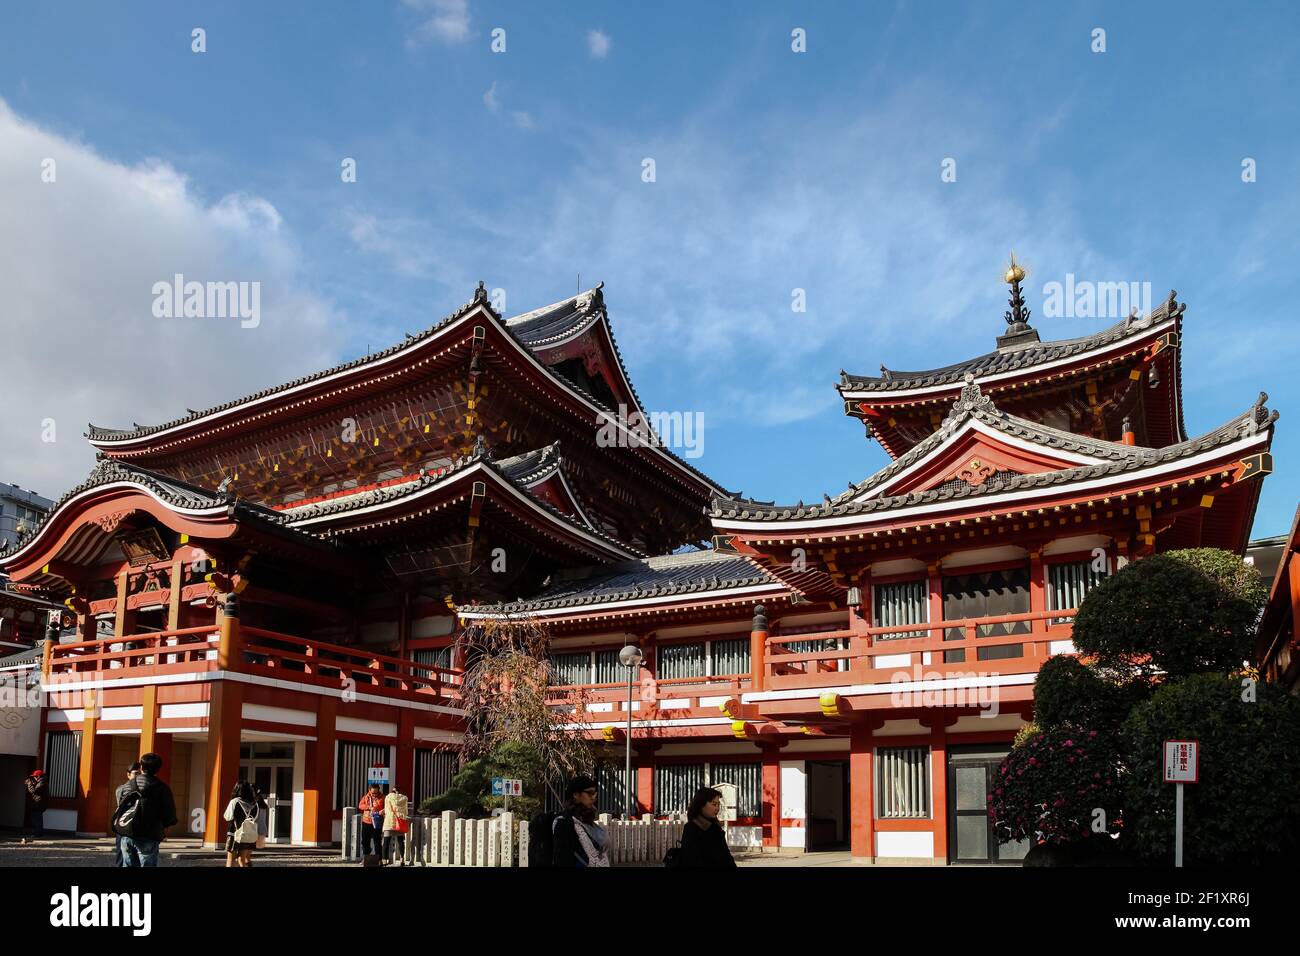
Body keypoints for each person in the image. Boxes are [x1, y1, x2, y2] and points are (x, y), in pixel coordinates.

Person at [117, 752, 178, 867]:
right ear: (158, 769)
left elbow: (121, 805)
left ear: (141, 767)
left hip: (127, 832)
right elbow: (170, 814)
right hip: (149, 833)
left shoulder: (128, 785)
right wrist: (165, 824)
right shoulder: (162, 788)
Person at [552, 775, 610, 868]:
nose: (593, 798)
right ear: (576, 795)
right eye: (589, 793)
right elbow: (563, 860)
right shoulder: (564, 823)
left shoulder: (587, 821)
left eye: (595, 793)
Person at [676, 787, 736, 868]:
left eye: (718, 804)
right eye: (714, 804)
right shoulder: (691, 828)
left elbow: (726, 857)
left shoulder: (716, 827)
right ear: (701, 805)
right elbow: (690, 860)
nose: (717, 808)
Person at [222, 781, 261, 868]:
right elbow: (255, 818)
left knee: (231, 859)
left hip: (234, 834)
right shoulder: (255, 804)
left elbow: (227, 817)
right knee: (242, 859)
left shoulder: (235, 801)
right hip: (248, 835)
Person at [112, 762, 142, 866]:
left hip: (138, 826)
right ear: (128, 774)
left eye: (140, 773)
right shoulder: (122, 789)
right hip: (124, 825)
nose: (138, 776)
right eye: (136, 773)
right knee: (121, 856)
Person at [382, 784, 410, 866]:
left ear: (392, 790)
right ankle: (402, 859)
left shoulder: (388, 797)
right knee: (401, 841)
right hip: (400, 821)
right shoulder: (404, 799)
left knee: (386, 842)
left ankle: (384, 860)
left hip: (389, 822)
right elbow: (406, 812)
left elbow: (386, 809)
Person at [357, 783, 385, 863]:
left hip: (377, 822)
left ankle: (379, 859)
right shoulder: (366, 797)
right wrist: (369, 807)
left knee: (377, 841)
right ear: (369, 790)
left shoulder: (383, 797)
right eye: (373, 793)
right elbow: (360, 805)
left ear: (379, 790)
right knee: (365, 841)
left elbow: (385, 807)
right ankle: (366, 858)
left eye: (376, 793)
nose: (374, 795)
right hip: (366, 822)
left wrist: (379, 809)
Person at [21, 769, 48, 844]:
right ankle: (37, 833)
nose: (34, 778)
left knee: (37, 820)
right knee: (36, 819)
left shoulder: (42, 782)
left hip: (38, 804)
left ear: (38, 776)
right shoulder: (41, 781)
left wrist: (29, 784)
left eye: (35, 777)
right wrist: (32, 783)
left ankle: (37, 834)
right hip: (37, 804)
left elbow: (33, 791)